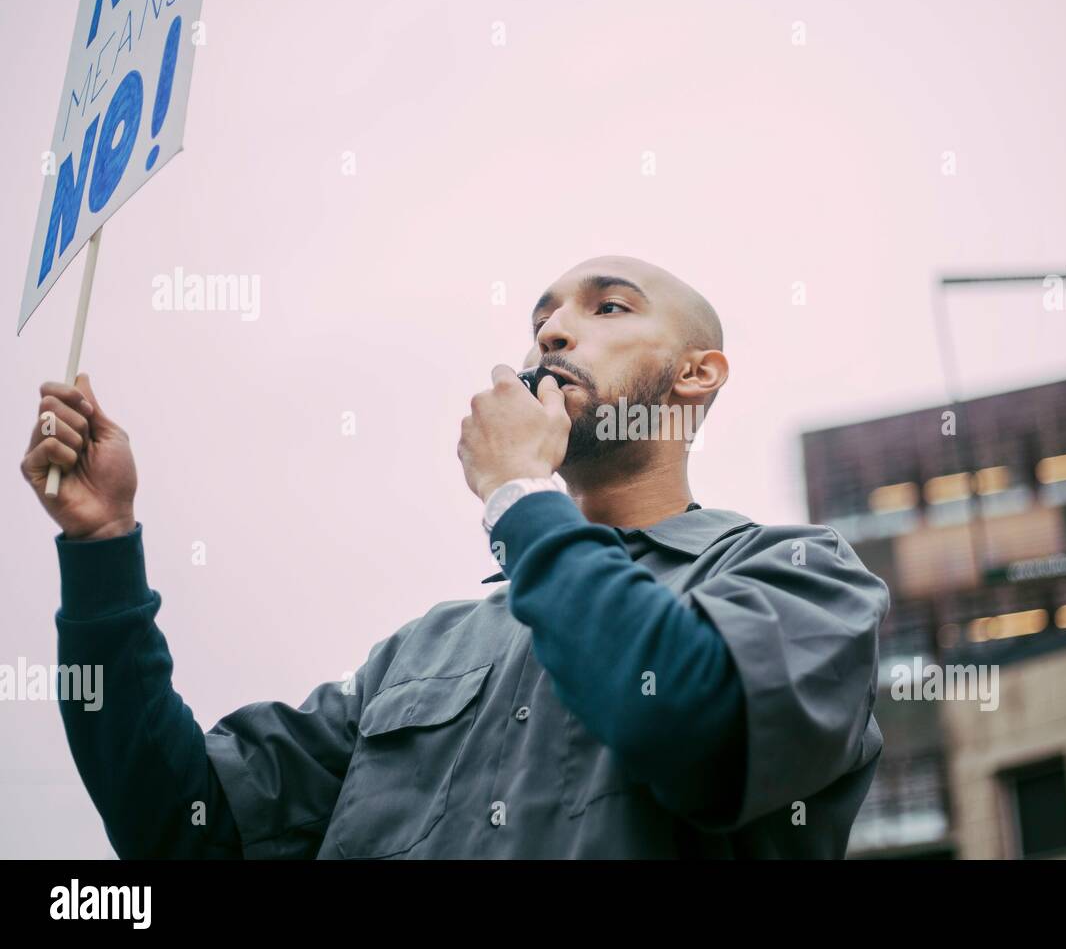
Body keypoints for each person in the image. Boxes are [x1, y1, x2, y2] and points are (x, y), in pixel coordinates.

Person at [21, 254, 888, 859]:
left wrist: (519, 491)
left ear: (699, 374)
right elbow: (181, 827)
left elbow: (696, 725)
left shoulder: (803, 576)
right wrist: (101, 549)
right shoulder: (415, 656)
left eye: (607, 307)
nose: (551, 332)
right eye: (540, 316)